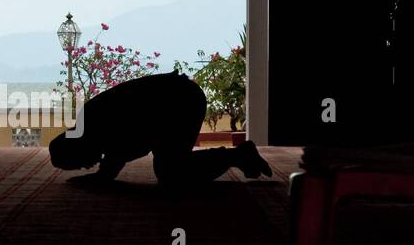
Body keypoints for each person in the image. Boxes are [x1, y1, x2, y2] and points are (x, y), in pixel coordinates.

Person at [48, 71, 272, 186]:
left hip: (179, 102)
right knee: (171, 169)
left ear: (76, 151)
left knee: (171, 173)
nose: (89, 165)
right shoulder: (90, 122)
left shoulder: (96, 124)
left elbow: (128, 149)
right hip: (179, 98)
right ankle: (238, 156)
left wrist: (102, 176)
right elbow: (127, 149)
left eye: (81, 164)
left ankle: (239, 155)